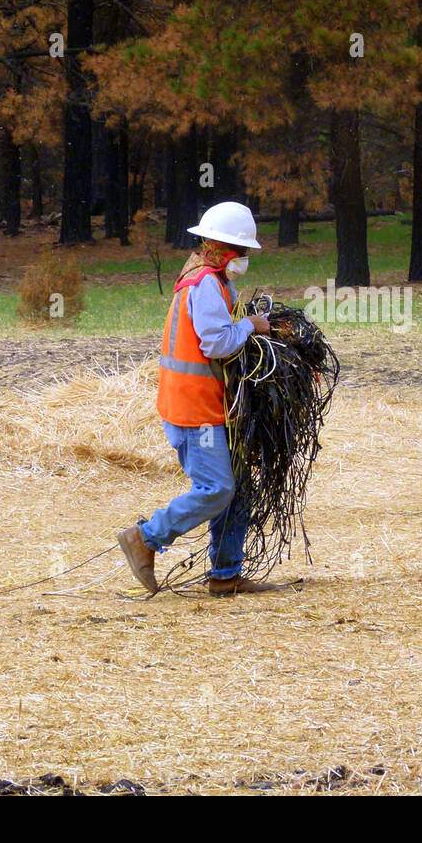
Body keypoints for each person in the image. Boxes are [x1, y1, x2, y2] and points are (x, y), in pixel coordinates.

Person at [117, 201, 273, 597]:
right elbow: (217, 342)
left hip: (207, 404)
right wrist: (251, 326)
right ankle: (145, 537)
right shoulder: (205, 283)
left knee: (237, 485)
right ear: (221, 247)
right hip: (194, 409)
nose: (245, 258)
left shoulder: (214, 279)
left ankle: (225, 574)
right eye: (242, 251)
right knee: (217, 488)